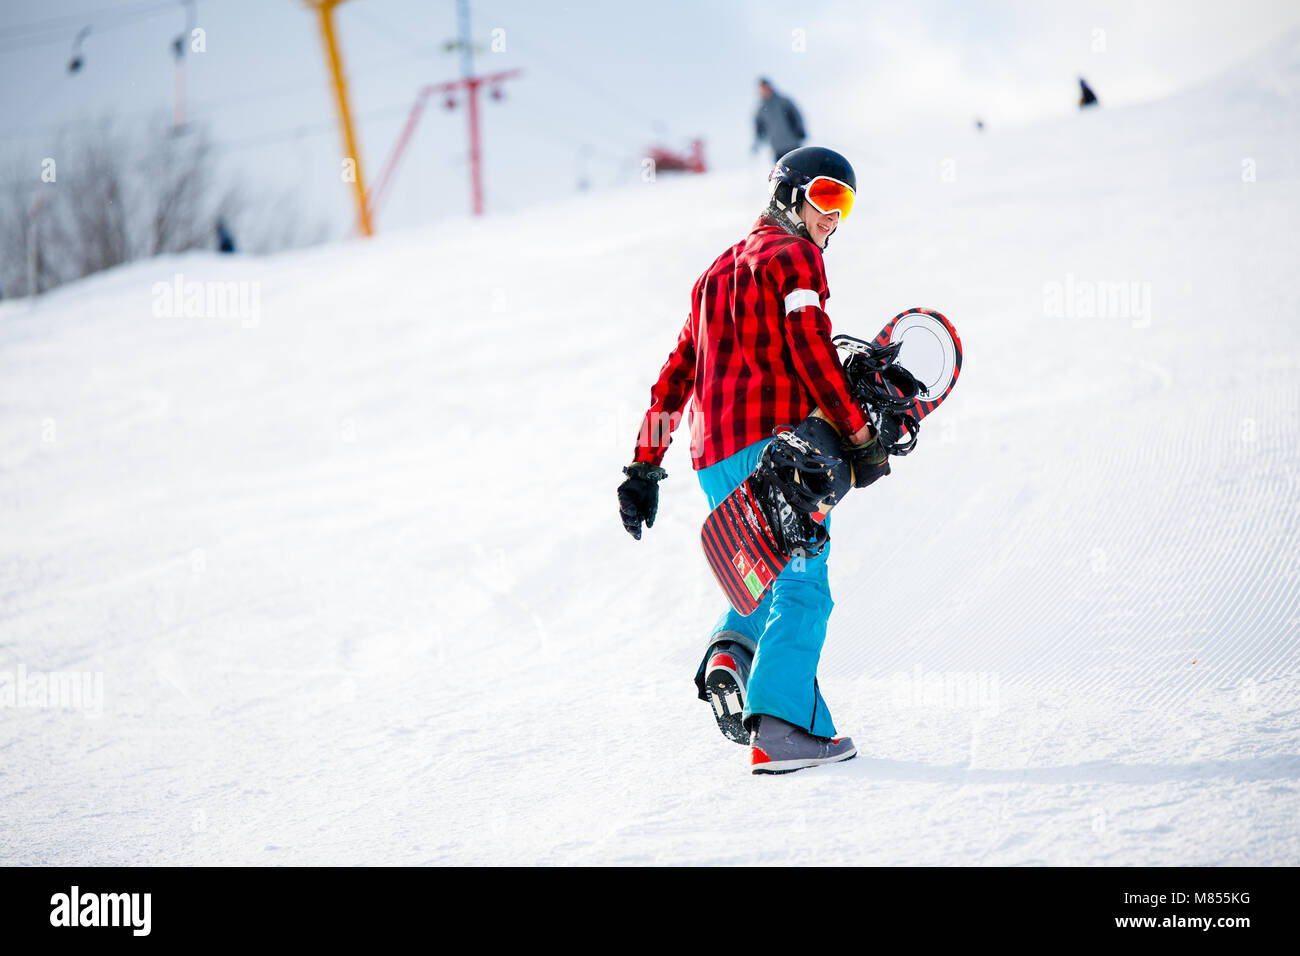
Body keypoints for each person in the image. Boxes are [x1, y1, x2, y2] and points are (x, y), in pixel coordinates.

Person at [617, 146, 891, 775]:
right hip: (778, 452)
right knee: (802, 585)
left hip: (713, 455)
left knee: (761, 564)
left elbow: (675, 376)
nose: (833, 217)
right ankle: (784, 728)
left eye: (845, 204)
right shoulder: (797, 258)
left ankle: (730, 653)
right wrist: (858, 434)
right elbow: (812, 349)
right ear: (788, 193)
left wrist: (643, 466)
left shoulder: (713, 275)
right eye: (826, 196)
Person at [753, 78, 806, 161]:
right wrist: (757, 144)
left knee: (800, 168)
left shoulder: (783, 102)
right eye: (762, 89)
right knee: (783, 172)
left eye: (765, 88)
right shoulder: (761, 110)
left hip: (793, 145)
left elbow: (796, 117)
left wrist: (800, 131)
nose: (764, 91)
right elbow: (759, 130)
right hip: (777, 150)